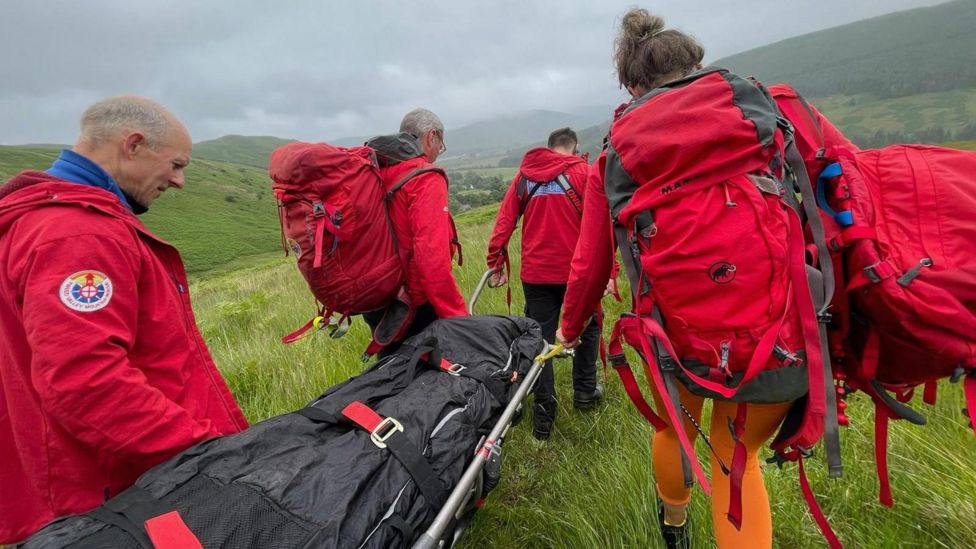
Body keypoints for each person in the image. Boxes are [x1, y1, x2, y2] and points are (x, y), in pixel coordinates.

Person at [556, 9, 828, 549]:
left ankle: (675, 529)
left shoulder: (613, 153)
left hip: (673, 341)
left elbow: (590, 265)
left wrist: (568, 330)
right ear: (699, 65)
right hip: (778, 333)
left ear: (632, 87)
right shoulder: (762, 113)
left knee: (672, 428)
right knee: (737, 464)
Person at [0, 96, 248, 543]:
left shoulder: (46, 221)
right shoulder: (78, 234)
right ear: (133, 145)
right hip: (116, 496)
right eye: (175, 164)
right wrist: (207, 451)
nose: (180, 181)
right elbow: (86, 381)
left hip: (94, 485)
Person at [485, 127, 602, 440]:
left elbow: (504, 220)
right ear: (574, 148)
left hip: (536, 274)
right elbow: (600, 225)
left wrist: (495, 261)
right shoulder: (584, 173)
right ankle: (585, 394)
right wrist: (610, 270)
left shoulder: (526, 175)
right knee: (588, 329)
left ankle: (543, 416)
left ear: (550, 148)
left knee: (539, 341)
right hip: (579, 274)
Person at [363, 108, 467, 355]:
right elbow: (432, 261)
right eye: (440, 144)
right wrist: (460, 320)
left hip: (379, 298)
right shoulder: (424, 177)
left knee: (394, 373)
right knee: (427, 381)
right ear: (431, 136)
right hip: (415, 304)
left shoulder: (376, 172)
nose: (438, 153)